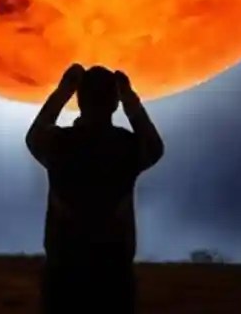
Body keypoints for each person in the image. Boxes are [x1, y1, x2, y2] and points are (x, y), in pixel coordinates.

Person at [25, 64, 165, 314]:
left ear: (79, 101)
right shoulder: (125, 146)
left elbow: (34, 136)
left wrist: (63, 91)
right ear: (114, 104)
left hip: (64, 275)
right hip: (112, 274)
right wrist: (130, 99)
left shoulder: (60, 143)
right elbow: (154, 147)